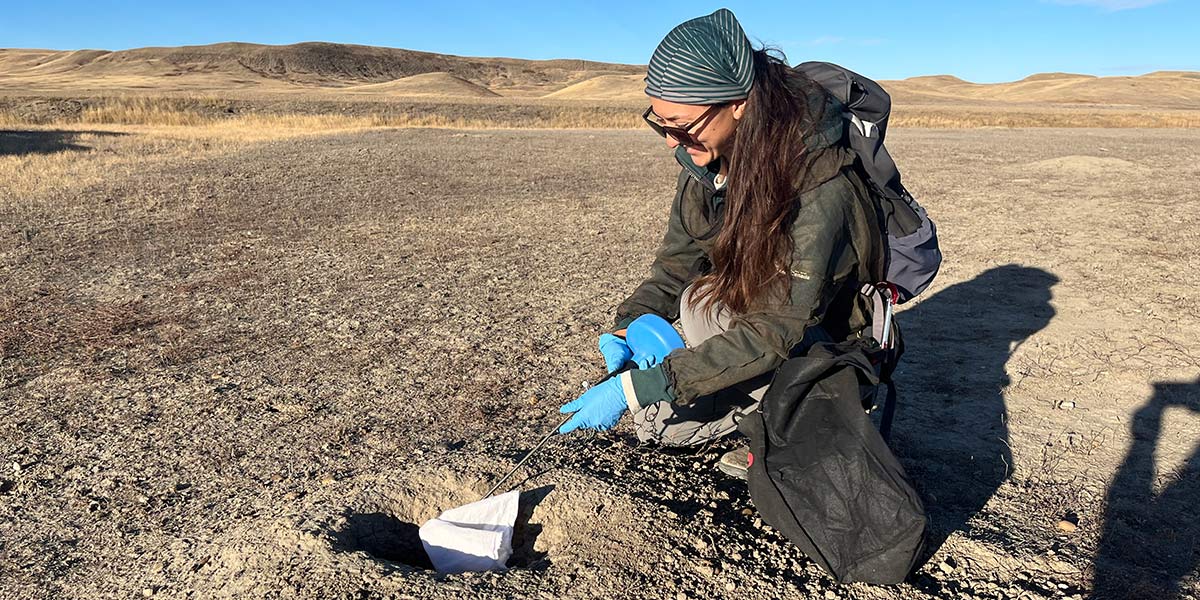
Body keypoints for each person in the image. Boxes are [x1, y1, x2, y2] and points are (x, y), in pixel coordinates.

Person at [558, 8, 886, 479]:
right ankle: (753, 401)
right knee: (694, 312)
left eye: (681, 125)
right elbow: (677, 264)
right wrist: (629, 326)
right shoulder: (706, 160)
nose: (670, 142)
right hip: (762, 312)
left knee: (669, 410)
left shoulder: (820, 183)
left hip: (821, 333)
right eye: (660, 123)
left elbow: (776, 329)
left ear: (738, 104)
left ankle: (818, 412)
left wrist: (638, 389)